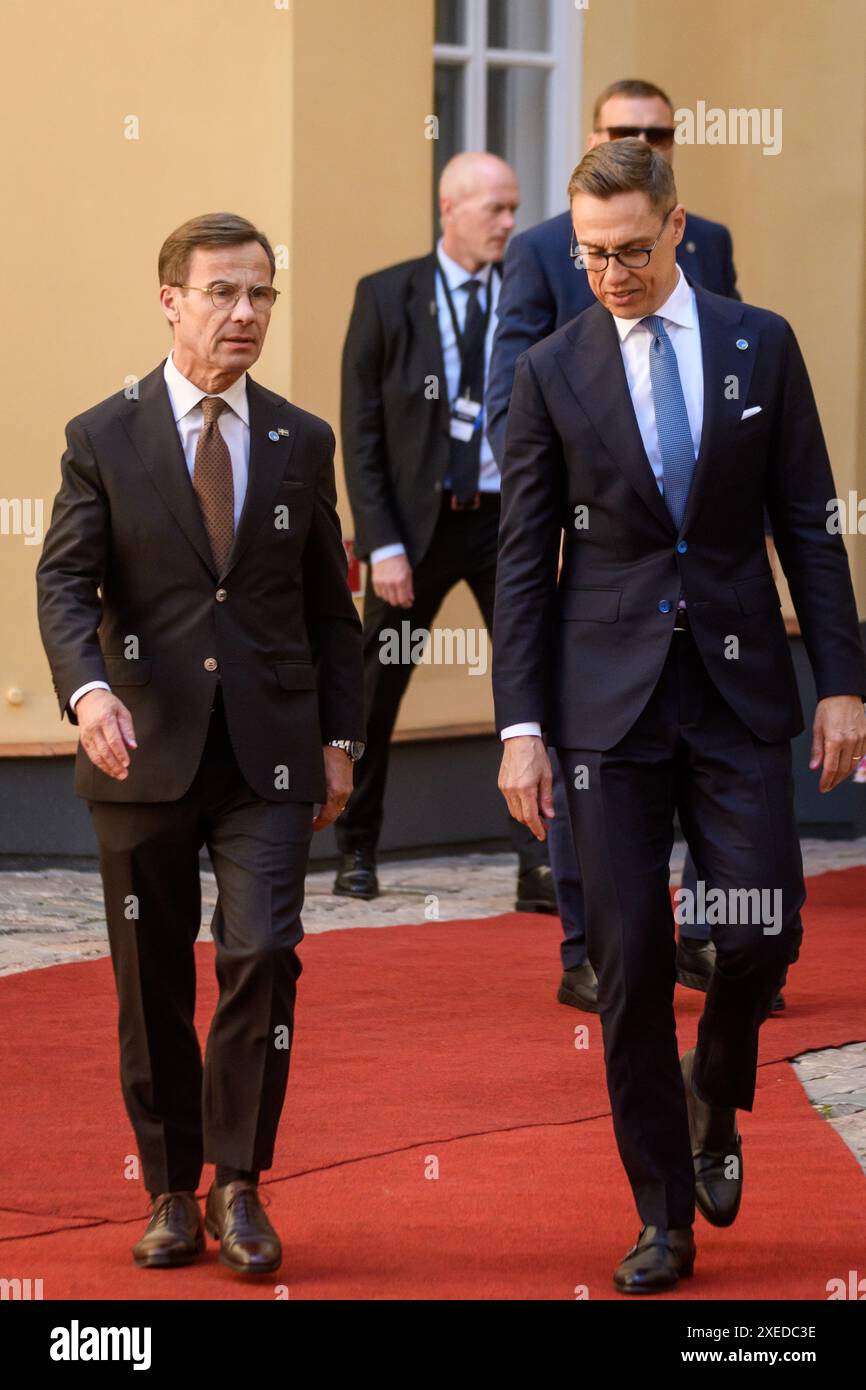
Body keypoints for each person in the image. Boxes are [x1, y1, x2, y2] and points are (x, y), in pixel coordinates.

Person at [492, 140, 866, 1293]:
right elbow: (520, 557)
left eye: (632, 252)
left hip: (738, 684)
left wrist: (842, 679)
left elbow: (805, 519)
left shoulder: (761, 341)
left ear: (677, 228)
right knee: (628, 960)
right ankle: (661, 1214)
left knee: (759, 928)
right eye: (590, 255)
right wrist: (517, 724)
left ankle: (719, 1074)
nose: (610, 274)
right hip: (602, 707)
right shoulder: (551, 369)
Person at [36, 213, 365, 1276]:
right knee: (149, 976)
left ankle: (239, 1183)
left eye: (262, 294)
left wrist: (340, 738)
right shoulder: (103, 434)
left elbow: (329, 611)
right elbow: (64, 582)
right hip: (142, 751)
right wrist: (88, 691)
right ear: (169, 298)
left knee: (263, 950)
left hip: (268, 754)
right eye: (224, 293)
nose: (245, 314)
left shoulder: (297, 439)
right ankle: (169, 1189)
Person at [487, 78, 742, 1014]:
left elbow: (729, 374)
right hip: (589, 531)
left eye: (659, 131)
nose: (615, 266)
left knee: (717, 790)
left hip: (700, 573)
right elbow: (518, 368)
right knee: (591, 758)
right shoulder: (543, 255)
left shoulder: (707, 241)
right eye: (627, 128)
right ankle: (590, 944)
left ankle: (712, 938)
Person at [335, 151, 554, 911]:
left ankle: (540, 863)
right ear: (448, 209)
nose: (508, 223)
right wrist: (380, 541)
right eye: (494, 209)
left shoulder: (532, 292)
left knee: (531, 682)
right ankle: (356, 847)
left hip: (507, 524)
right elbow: (359, 432)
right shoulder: (387, 295)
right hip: (414, 533)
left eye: (514, 207)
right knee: (373, 695)